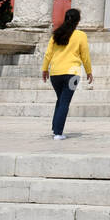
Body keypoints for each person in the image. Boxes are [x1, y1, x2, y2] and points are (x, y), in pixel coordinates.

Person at [41, 8, 92, 140]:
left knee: (60, 100)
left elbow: (48, 54)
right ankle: (58, 132)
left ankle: (55, 127)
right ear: (78, 21)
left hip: (55, 73)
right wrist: (89, 71)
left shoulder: (56, 34)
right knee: (64, 103)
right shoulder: (81, 35)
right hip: (72, 74)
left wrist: (45, 69)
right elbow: (85, 55)